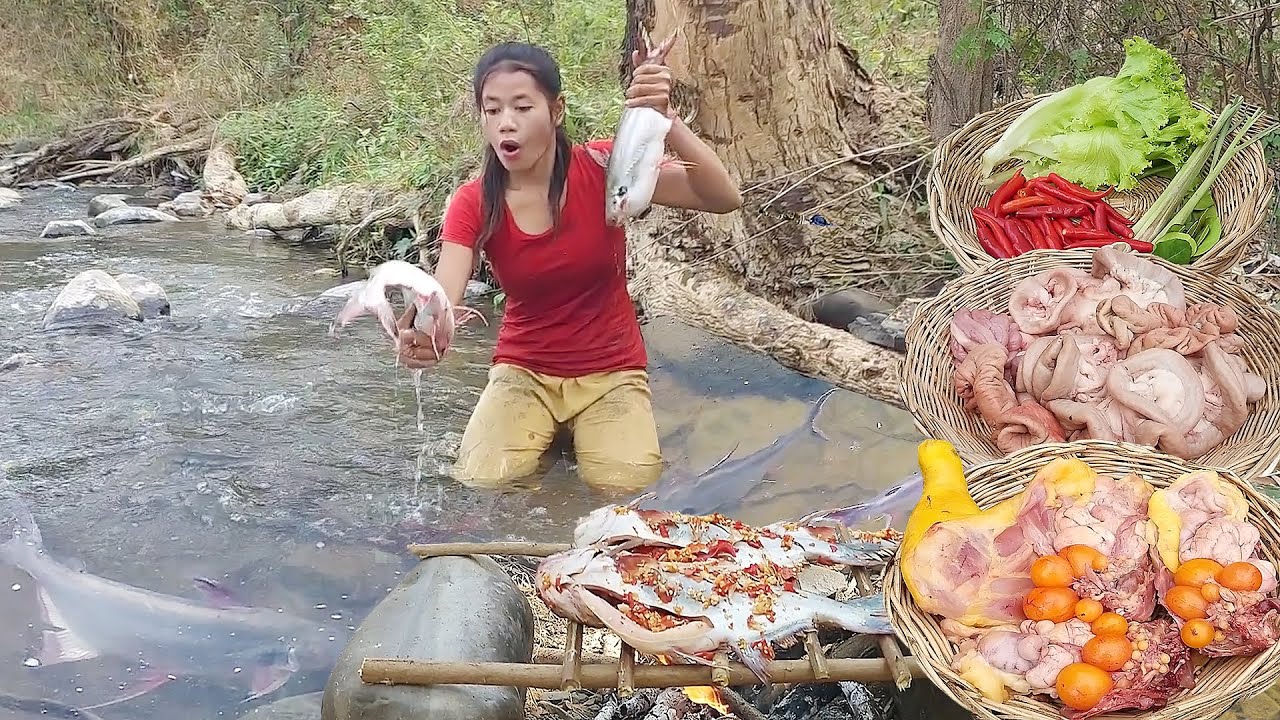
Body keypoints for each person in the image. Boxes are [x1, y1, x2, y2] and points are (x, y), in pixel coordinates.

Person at [393, 40, 742, 491]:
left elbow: (722, 197)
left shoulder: (604, 168)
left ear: (556, 111)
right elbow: (444, 292)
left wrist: (664, 120)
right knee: (482, 483)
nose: (506, 124)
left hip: (612, 372)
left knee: (626, 489)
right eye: (492, 110)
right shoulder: (474, 201)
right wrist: (423, 331)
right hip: (524, 370)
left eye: (522, 107)